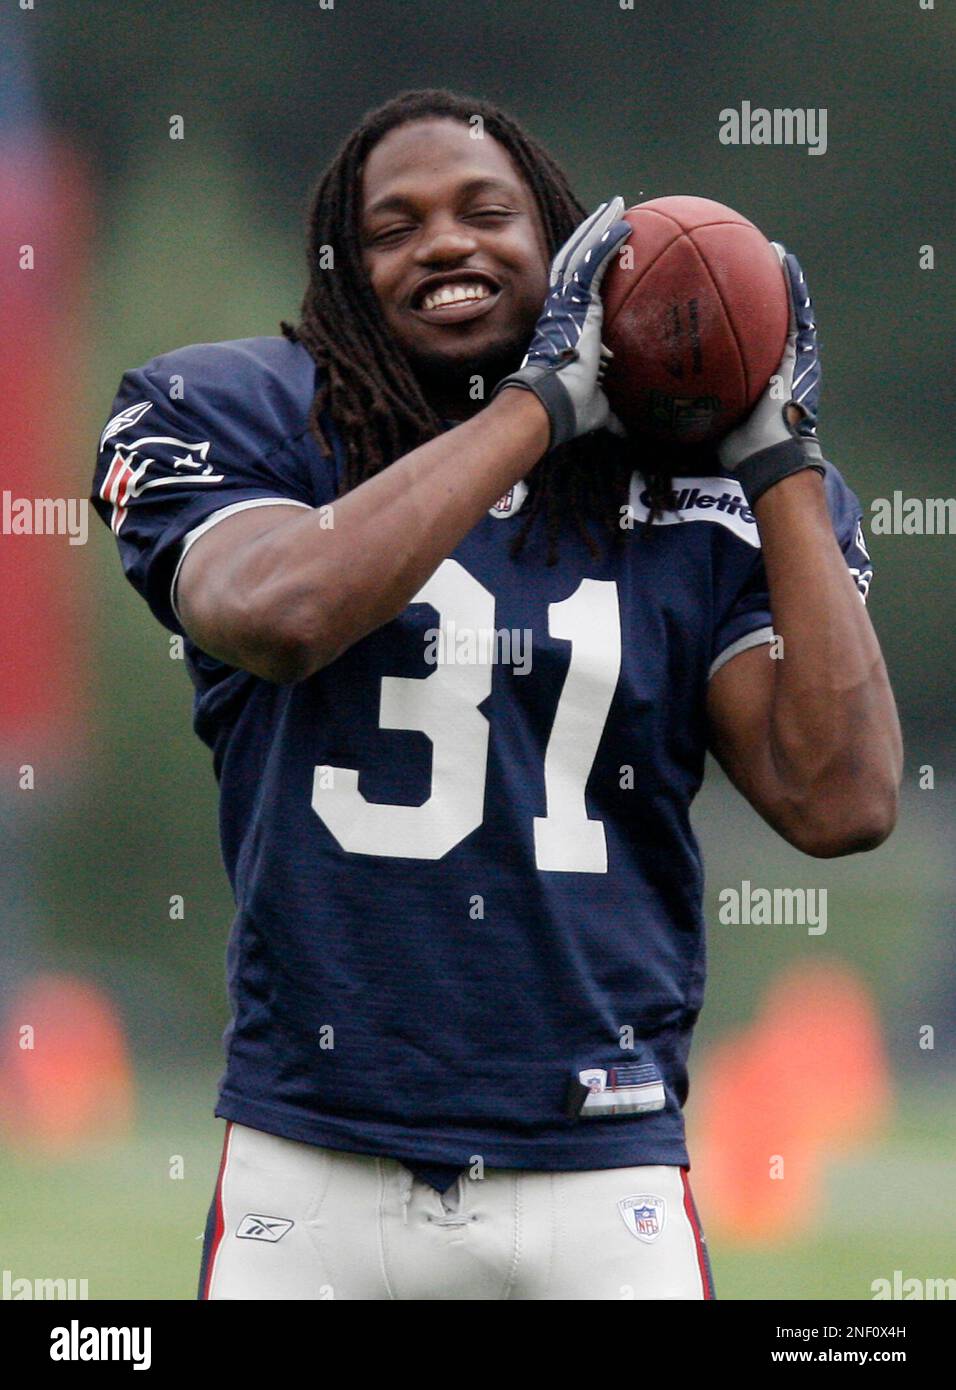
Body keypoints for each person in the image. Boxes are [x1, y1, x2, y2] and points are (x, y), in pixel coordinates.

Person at [91, 88, 902, 1300]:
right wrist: (542, 406)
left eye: (486, 212)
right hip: (313, 1160)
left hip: (597, 1166)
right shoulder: (245, 416)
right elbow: (280, 614)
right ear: (341, 269)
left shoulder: (678, 489)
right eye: (392, 226)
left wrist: (778, 449)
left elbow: (841, 801)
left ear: (562, 245)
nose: (445, 243)